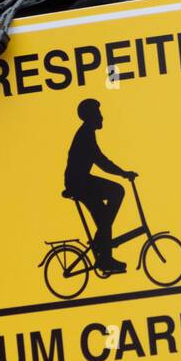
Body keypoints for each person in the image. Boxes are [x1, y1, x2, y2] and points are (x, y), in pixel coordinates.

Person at [64, 98, 136, 274]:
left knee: (107, 214)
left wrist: (122, 173)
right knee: (116, 192)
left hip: (81, 181)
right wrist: (123, 173)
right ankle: (104, 256)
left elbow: (100, 160)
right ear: (91, 116)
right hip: (79, 183)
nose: (101, 117)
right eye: (98, 113)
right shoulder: (85, 135)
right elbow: (101, 161)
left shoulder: (87, 132)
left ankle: (102, 246)